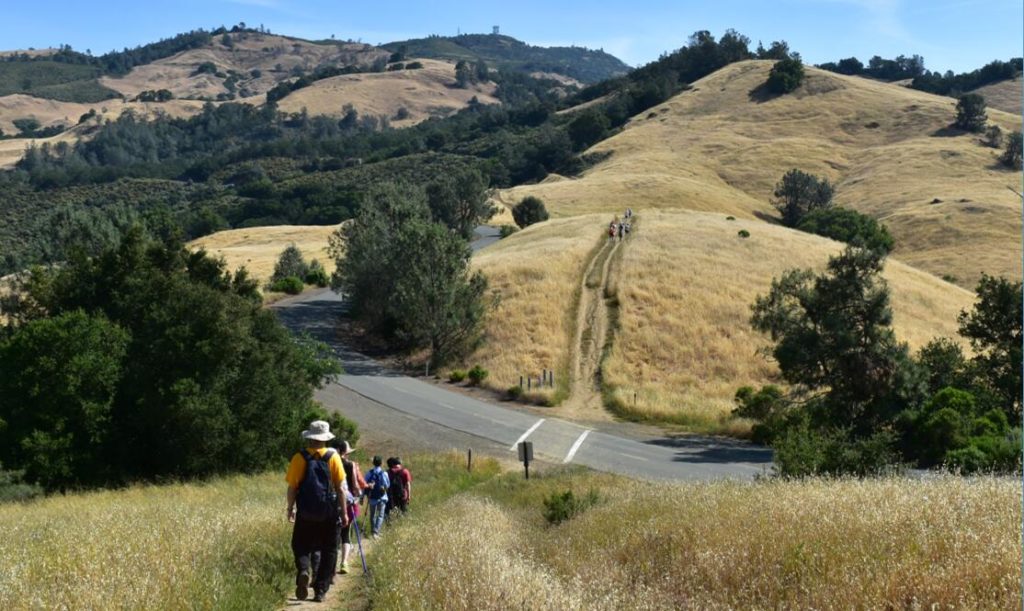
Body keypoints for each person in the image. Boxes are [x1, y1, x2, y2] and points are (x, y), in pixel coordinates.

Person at [286, 420, 348, 602]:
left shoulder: (299, 457)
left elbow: (292, 487)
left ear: (310, 437)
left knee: (300, 544)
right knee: (329, 549)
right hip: (329, 511)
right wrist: (344, 512)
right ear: (325, 438)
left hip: (306, 510)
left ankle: (304, 569)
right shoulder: (334, 456)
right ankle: (320, 590)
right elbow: (341, 488)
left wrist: (291, 508)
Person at [336, 439, 366, 575]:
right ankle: (344, 563)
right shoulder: (351, 465)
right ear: (345, 452)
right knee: (346, 534)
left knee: (334, 533)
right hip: (348, 502)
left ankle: (331, 564)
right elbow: (354, 484)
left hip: (332, 502)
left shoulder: (329, 462)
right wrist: (359, 495)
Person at [363, 455, 390, 538]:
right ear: (381, 463)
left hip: (372, 498)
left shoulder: (369, 473)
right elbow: (387, 485)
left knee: (372, 515)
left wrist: (362, 497)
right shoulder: (384, 473)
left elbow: (364, 485)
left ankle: (372, 531)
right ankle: (376, 532)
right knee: (380, 515)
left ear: (373, 463)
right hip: (382, 497)